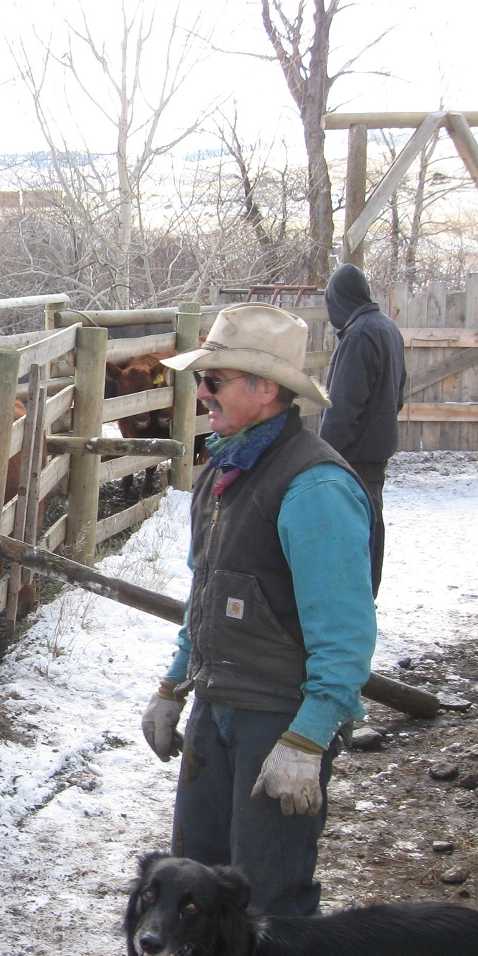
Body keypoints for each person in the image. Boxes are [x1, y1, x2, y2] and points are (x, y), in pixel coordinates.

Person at [139, 303, 377, 917]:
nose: (202, 391)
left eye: (214, 380)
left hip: (278, 719)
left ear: (265, 388)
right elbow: (207, 591)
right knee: (196, 898)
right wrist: (174, 683)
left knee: (268, 907)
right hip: (217, 706)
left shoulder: (316, 488)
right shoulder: (225, 463)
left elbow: (346, 636)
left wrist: (308, 738)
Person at [320, 263, 407, 597]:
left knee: (350, 527)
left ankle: (354, 598)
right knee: (372, 521)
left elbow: (342, 406)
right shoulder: (388, 328)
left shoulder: (358, 335)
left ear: (338, 301)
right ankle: (367, 594)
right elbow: (398, 391)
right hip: (377, 449)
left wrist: (324, 455)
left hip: (353, 453)